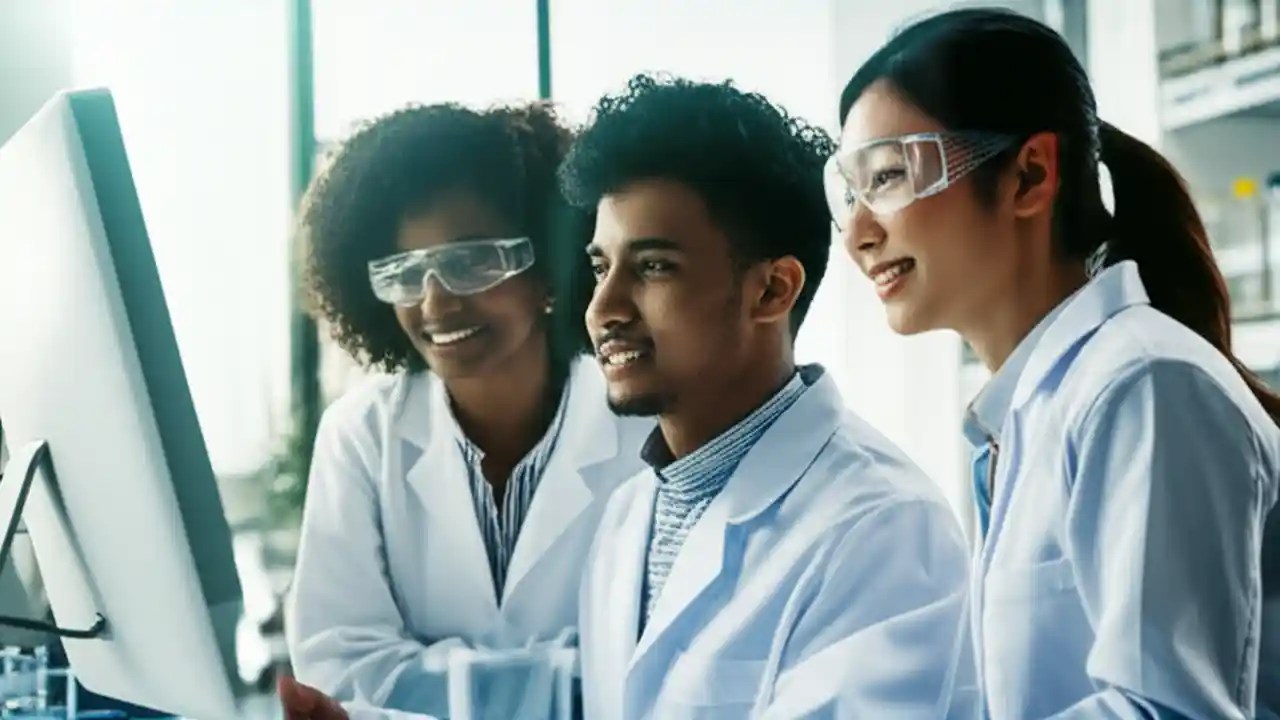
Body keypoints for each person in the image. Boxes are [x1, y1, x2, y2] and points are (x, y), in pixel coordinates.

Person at [830, 8, 1280, 719]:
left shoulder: (1144, 383)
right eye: (849, 192)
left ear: (1030, 176)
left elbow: (1164, 709)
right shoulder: (1025, 418)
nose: (857, 231)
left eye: (889, 176)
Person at [560, 73, 972, 719]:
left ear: (773, 290)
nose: (603, 308)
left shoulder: (882, 528)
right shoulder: (627, 518)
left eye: (653, 267)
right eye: (600, 267)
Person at [279, 101, 651, 718]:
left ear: (548, 271)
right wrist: (569, 681)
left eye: (470, 264)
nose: (435, 303)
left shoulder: (644, 424)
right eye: (406, 272)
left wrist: (428, 681)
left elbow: (662, 663)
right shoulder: (362, 434)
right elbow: (340, 672)